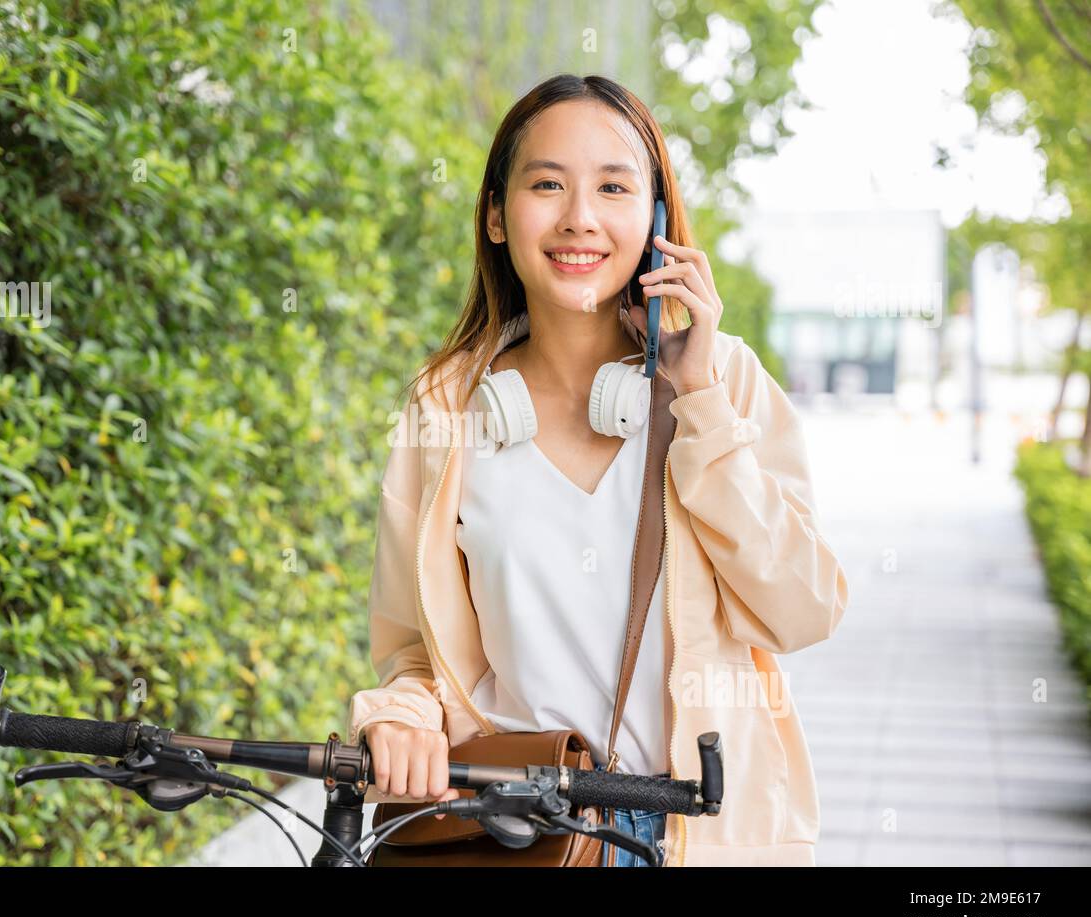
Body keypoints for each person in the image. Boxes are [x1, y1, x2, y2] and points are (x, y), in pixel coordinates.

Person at [348, 73, 849, 867]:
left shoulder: (727, 382)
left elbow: (803, 610)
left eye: (613, 187)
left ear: (654, 221)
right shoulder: (444, 407)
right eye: (546, 184)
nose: (579, 217)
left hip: (698, 836)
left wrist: (701, 401)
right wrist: (400, 718)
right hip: (520, 833)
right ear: (496, 214)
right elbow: (414, 650)